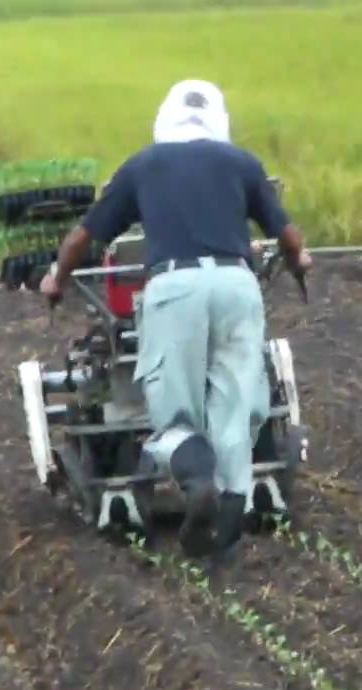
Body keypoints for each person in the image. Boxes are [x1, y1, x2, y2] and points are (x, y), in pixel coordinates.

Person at [39, 78, 311, 563]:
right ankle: (220, 543)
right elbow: (289, 238)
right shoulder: (242, 163)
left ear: (164, 123)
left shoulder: (143, 165)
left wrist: (57, 278)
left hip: (174, 288)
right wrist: (299, 264)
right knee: (236, 413)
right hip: (236, 284)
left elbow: (84, 238)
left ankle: (196, 478)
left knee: (175, 414)